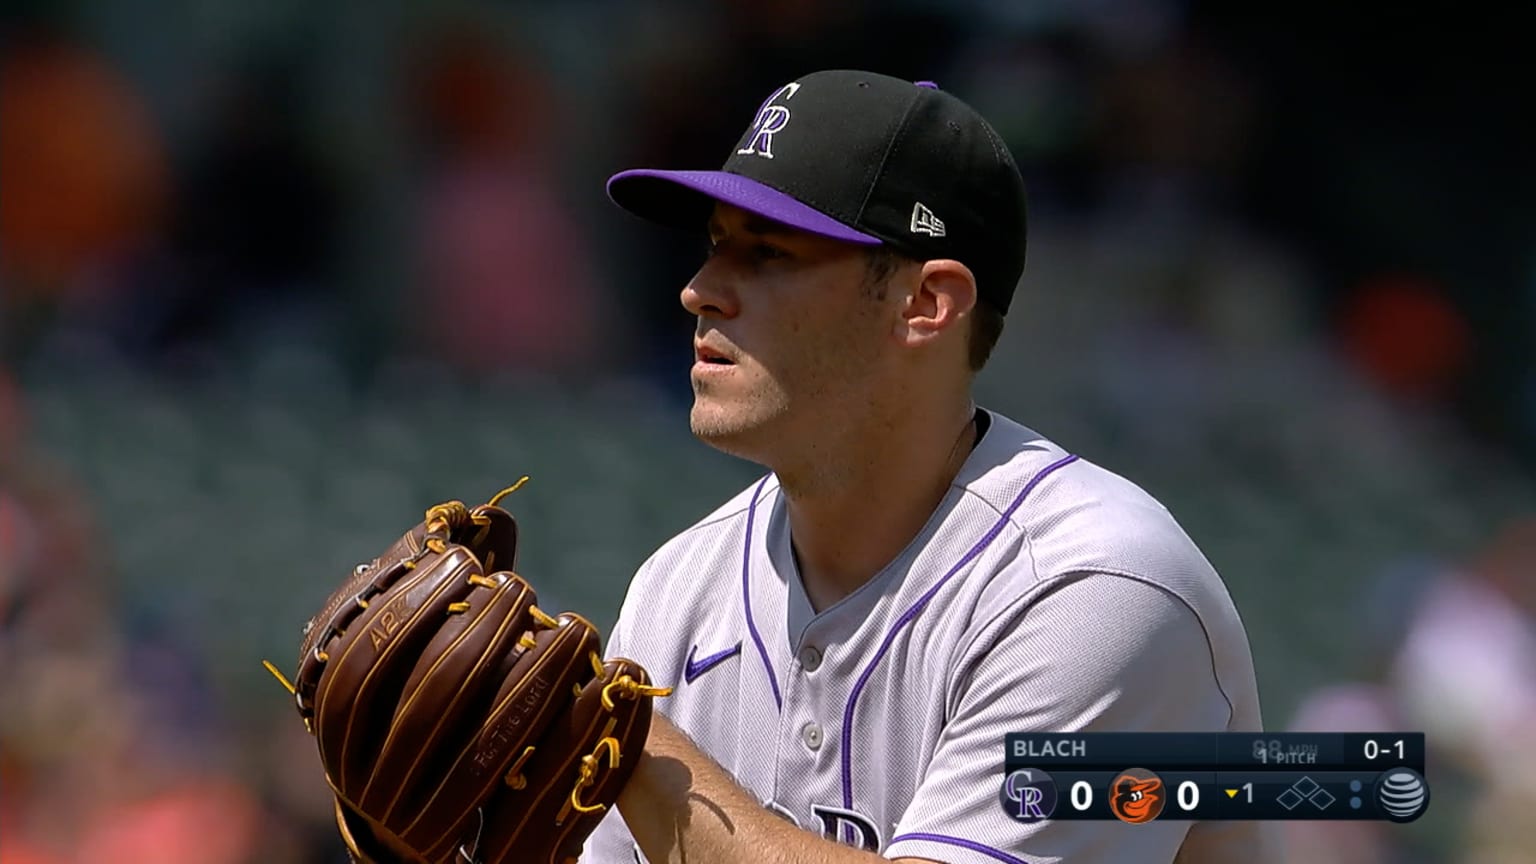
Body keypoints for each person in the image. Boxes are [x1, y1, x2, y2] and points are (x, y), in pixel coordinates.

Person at [586, 69, 1278, 864]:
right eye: (715, 246)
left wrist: (629, 747)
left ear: (927, 303)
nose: (699, 290)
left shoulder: (1101, 588)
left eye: (768, 253)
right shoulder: (677, 588)